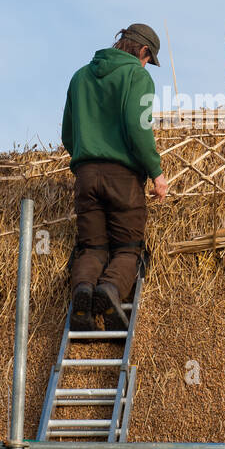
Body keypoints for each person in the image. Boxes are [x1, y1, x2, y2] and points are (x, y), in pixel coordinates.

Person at [61, 23, 170, 331]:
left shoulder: (80, 76)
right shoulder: (138, 76)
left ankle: (82, 298)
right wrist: (156, 174)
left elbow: (68, 134)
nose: (148, 65)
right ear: (144, 51)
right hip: (122, 178)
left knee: (92, 247)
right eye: (149, 59)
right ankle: (109, 292)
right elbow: (139, 129)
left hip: (85, 175)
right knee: (128, 248)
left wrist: (88, 157)